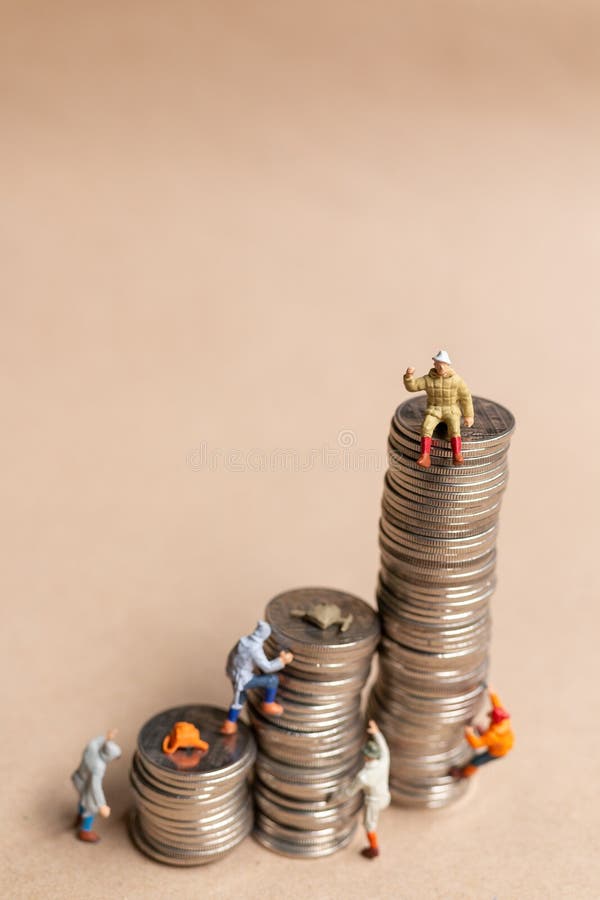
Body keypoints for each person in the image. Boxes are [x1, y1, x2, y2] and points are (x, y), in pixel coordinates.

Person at [220, 620, 293, 735]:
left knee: (239, 699)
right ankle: (268, 704)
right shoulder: (255, 648)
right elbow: (267, 667)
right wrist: (282, 660)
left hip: (234, 674)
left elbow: (232, 656)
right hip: (244, 678)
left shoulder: (243, 641)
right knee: (272, 680)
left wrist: (231, 671)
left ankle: (229, 724)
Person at [404, 350, 474, 467]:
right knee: (426, 427)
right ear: (434, 364)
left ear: (448, 365)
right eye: (438, 363)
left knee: (454, 428)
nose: (441, 366)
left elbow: (465, 397)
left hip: (451, 410)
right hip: (434, 409)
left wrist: (469, 415)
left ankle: (457, 454)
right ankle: (425, 456)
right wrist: (409, 376)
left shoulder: (457, 380)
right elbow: (413, 386)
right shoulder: (428, 379)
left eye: (444, 363)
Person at [340, 720, 390, 859]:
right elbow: (384, 748)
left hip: (373, 802)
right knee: (372, 822)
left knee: (369, 825)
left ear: (367, 757)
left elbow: (349, 792)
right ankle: (373, 847)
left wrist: (334, 798)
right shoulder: (383, 762)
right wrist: (377, 733)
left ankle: (374, 848)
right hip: (385, 797)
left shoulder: (364, 776)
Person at [450, 688, 514, 779]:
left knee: (476, 761)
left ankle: (464, 774)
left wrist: (469, 733)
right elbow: (497, 705)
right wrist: (492, 694)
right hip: (504, 742)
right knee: (483, 732)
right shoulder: (504, 720)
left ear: (494, 719)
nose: (490, 713)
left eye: (491, 714)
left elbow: (477, 744)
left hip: (497, 751)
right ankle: (482, 734)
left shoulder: (493, 735)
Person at [71, 729, 122, 843]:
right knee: (91, 808)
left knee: (82, 800)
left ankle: (79, 816)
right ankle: (85, 831)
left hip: (79, 779)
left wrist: (106, 739)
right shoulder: (99, 766)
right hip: (88, 786)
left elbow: (94, 741)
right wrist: (101, 805)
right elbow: (95, 786)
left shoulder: (92, 748)